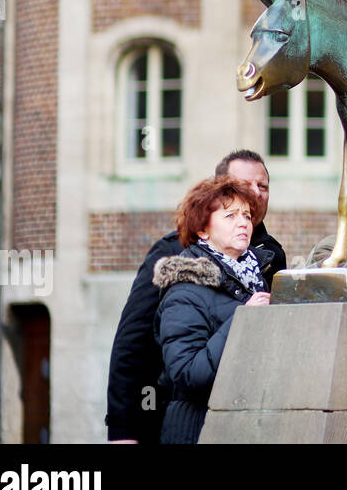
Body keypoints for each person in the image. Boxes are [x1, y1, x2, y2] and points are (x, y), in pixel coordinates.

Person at [105, 150, 286, 443]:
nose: (254, 192)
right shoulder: (174, 253)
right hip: (183, 415)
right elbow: (134, 341)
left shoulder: (269, 256)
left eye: (262, 187)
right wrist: (123, 428)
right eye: (242, 185)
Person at [152, 175, 273, 444]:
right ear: (203, 230)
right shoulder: (184, 288)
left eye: (246, 214)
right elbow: (186, 373)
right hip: (198, 428)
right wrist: (243, 321)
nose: (243, 222)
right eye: (230, 215)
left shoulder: (254, 278)